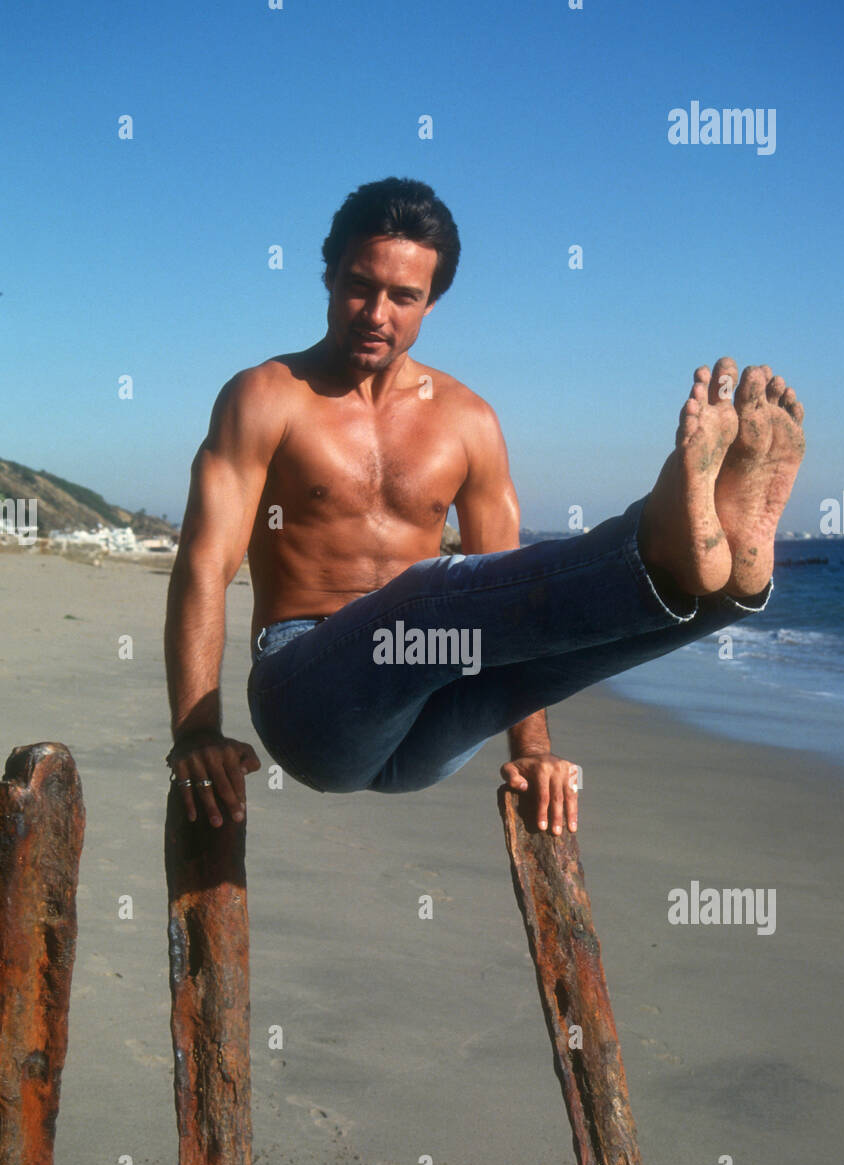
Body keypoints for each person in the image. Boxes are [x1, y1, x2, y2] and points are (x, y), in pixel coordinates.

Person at [164, 177, 805, 836]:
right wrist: (195, 731)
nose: (375, 312)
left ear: (432, 304)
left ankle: (725, 588)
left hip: (430, 726)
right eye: (360, 285)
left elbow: (510, 592)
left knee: (546, 629)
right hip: (312, 705)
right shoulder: (266, 397)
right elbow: (204, 565)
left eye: (403, 296)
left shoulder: (467, 421)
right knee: (424, 596)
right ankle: (654, 539)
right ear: (328, 276)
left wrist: (532, 751)